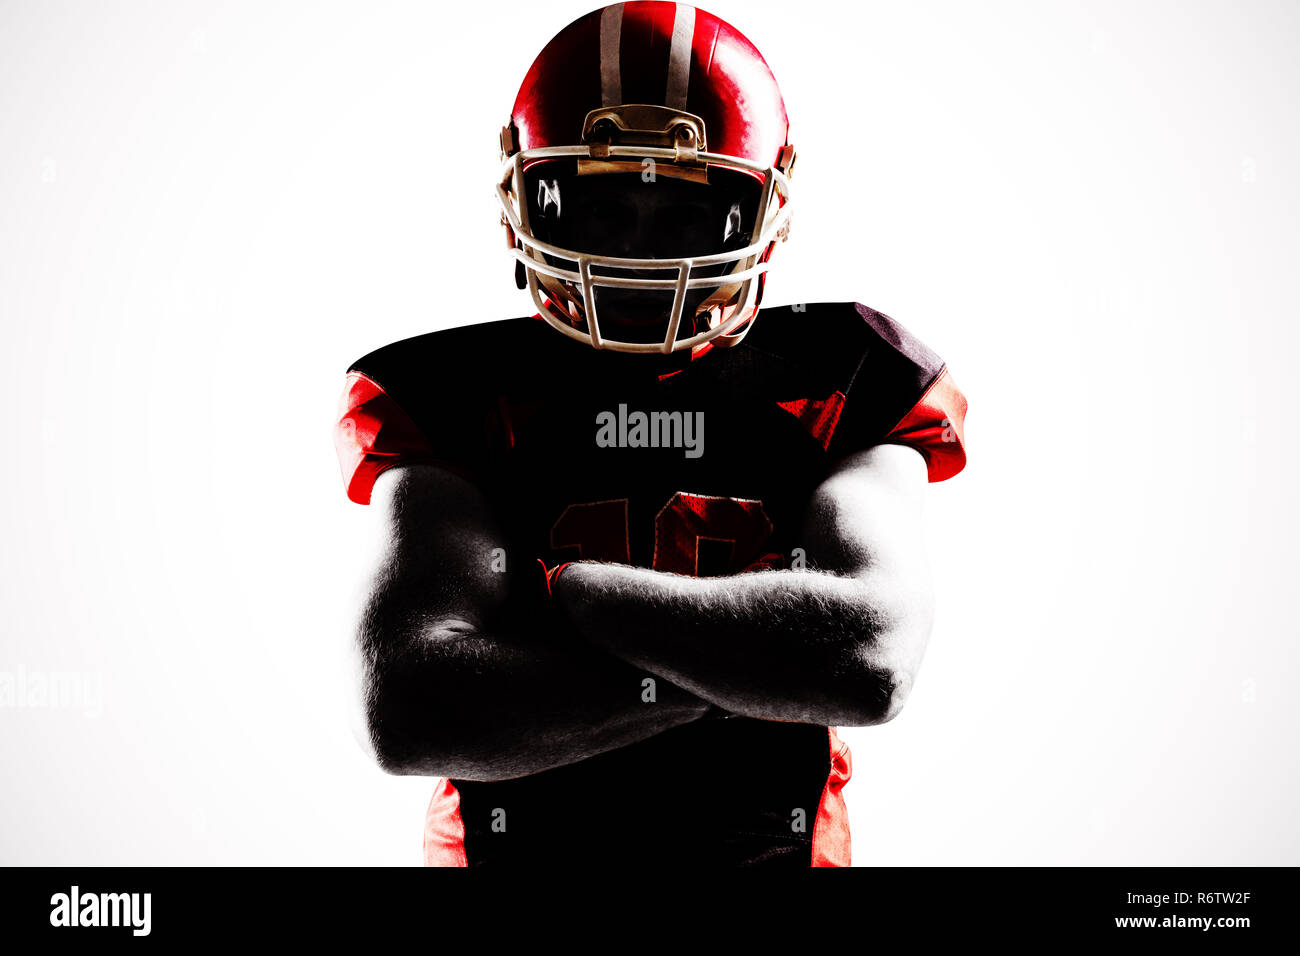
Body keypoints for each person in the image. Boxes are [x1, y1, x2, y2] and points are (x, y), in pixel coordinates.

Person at [333, 1, 968, 867]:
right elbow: (413, 709)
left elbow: (866, 656)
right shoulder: (448, 393)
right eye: (598, 207)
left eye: (684, 211)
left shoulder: (845, 370)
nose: (639, 252)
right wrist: (749, 662)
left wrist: (580, 593)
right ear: (528, 197)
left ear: (766, 205)